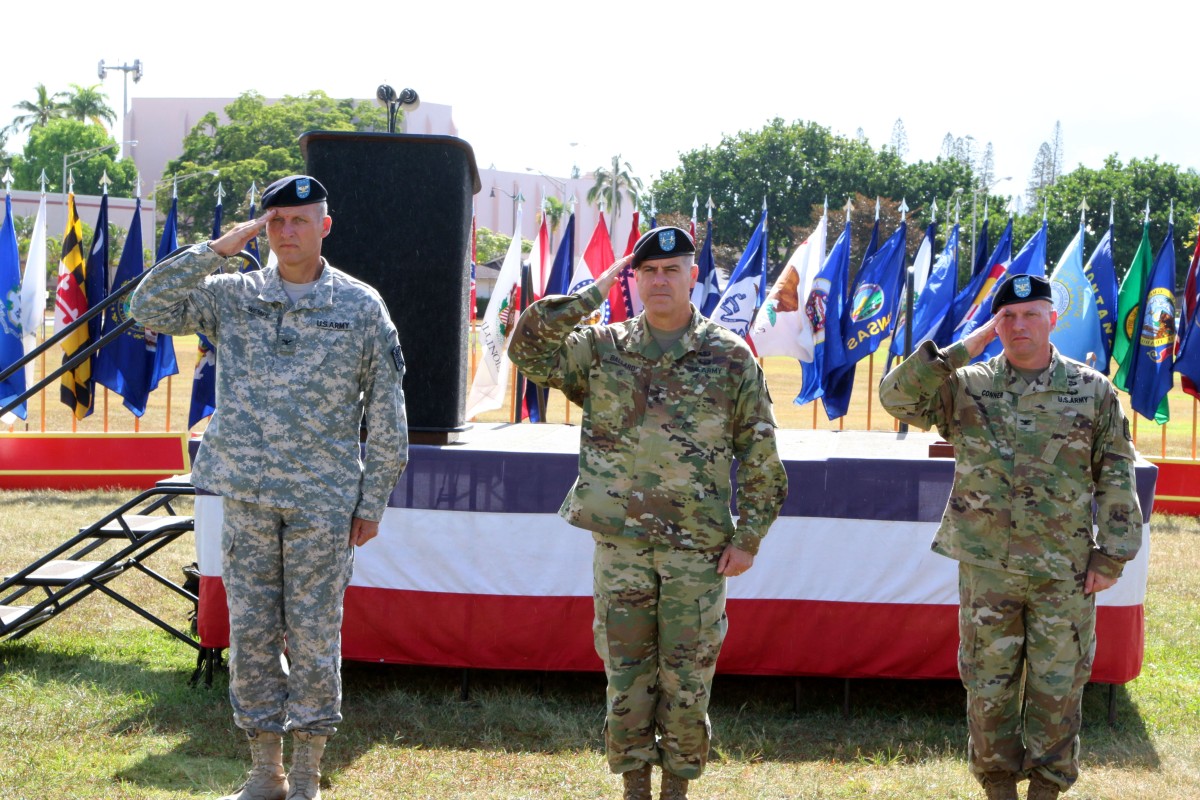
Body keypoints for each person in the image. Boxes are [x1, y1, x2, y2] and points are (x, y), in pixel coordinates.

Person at [130, 175, 408, 800]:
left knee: (313, 633)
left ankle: (307, 771)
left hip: (323, 501)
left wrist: (373, 500)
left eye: (299, 220)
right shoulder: (232, 296)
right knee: (251, 632)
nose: (286, 233)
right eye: (275, 221)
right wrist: (215, 251)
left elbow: (389, 415)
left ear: (324, 226)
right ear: (263, 228)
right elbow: (145, 308)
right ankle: (265, 770)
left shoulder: (361, 306)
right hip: (248, 496)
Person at [509, 226, 788, 800]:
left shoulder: (730, 358)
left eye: (672, 270)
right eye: (648, 272)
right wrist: (592, 293)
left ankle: (677, 789)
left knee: (688, 678)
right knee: (626, 673)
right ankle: (635, 784)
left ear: (693, 277)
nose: (660, 281)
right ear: (633, 279)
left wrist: (751, 537)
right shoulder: (603, 348)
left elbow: (761, 454)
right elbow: (527, 348)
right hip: (621, 546)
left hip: (697, 550)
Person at [879, 274, 1142, 800]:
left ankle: (1047, 789)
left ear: (1052, 318)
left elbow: (1116, 473)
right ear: (996, 324)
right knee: (988, 686)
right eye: (1008, 318)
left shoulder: (1092, 391)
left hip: (1063, 571)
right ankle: (997, 786)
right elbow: (895, 398)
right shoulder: (968, 385)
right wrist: (965, 345)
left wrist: (1111, 557)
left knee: (1058, 687)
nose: (1019, 326)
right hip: (988, 568)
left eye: (1031, 314)